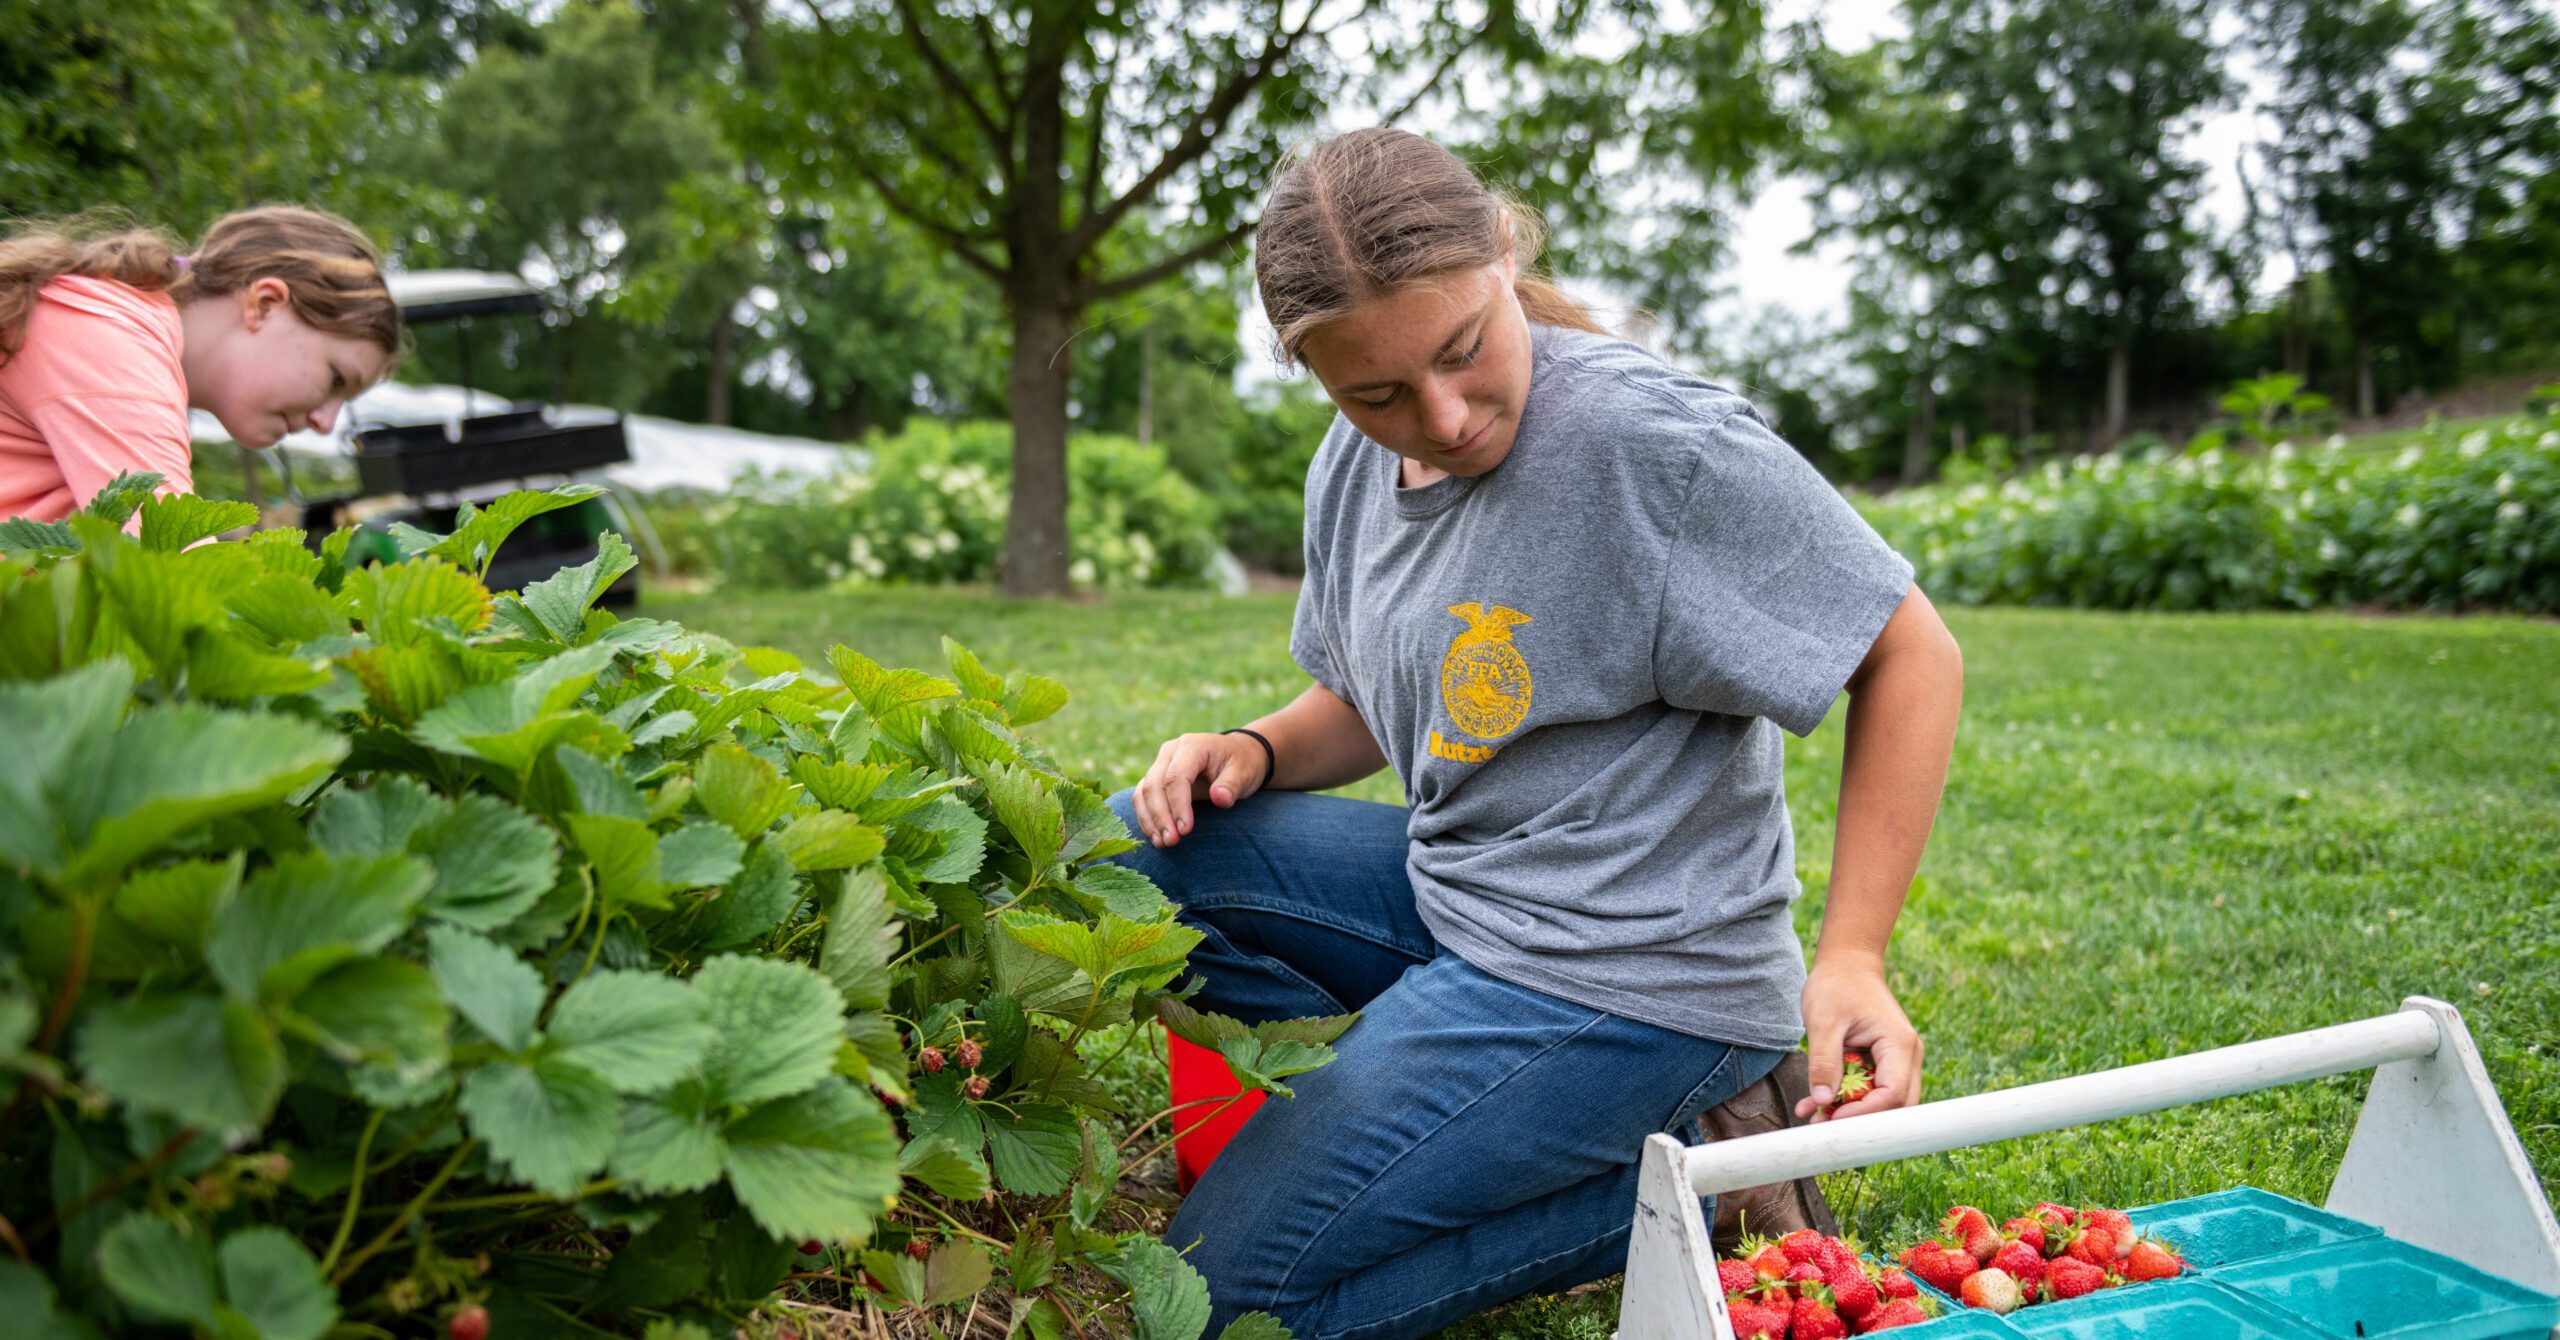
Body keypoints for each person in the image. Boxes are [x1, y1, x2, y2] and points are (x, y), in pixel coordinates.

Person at [1106, 127, 1964, 1340]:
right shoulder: (1352, 466)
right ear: (1318, 375)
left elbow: (1909, 650)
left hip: (1640, 975)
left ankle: (1710, 1178)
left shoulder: (1652, 447)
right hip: (1460, 899)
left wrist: (1854, 954)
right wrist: (1252, 743)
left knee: (1209, 1301)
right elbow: (1386, 695)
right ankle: (1425, 1121)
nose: (1443, 417)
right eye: (1378, 390)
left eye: (1463, 350)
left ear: (1505, 254)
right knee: (1129, 860)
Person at [0, 206, 402, 522]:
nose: (325, 424)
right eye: (335, 378)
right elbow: (169, 562)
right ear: (265, 305)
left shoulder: (122, 326)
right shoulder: (107, 336)